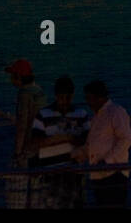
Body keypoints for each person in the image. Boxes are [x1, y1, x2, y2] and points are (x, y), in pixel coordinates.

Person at [29, 76, 92, 209]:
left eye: (67, 98)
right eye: (61, 98)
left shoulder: (81, 114)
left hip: (75, 173)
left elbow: (88, 141)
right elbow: (35, 143)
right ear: (56, 96)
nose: (64, 102)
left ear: (72, 96)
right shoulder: (43, 114)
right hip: (49, 173)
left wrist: (69, 138)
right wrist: (61, 138)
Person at [73, 80, 131, 207]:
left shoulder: (116, 112)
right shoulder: (97, 117)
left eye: (89, 98)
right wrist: (76, 154)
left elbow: (125, 139)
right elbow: (93, 145)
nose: (87, 102)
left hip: (113, 173)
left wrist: (107, 161)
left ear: (99, 98)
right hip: (98, 174)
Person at [4, 58, 46, 209]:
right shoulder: (39, 91)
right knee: (37, 195)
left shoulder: (24, 94)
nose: (10, 79)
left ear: (19, 77)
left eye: (12, 76)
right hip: (41, 147)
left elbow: (22, 126)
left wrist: (17, 153)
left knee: (17, 194)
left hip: (27, 149)